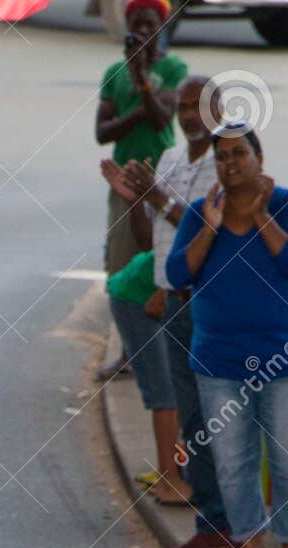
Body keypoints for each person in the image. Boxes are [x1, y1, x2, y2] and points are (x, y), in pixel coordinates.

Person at [166, 125, 288, 548]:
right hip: (221, 362)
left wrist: (260, 218)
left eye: (239, 153)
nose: (230, 163)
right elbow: (178, 273)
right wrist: (211, 229)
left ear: (259, 157)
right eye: (222, 156)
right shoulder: (201, 213)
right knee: (234, 463)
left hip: (287, 361)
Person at [126, 74, 232, 548]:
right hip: (173, 302)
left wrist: (156, 197)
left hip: (209, 305)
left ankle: (233, 525)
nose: (189, 115)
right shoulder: (169, 158)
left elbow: (206, 235)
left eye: (199, 106)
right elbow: (150, 239)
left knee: (221, 416)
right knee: (192, 418)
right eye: (184, 107)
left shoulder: (228, 160)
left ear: (219, 109)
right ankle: (211, 524)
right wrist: (135, 196)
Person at [98, 167, 191, 506]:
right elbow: (147, 243)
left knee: (182, 388)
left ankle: (176, 467)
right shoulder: (188, 195)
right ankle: (168, 479)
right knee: (164, 391)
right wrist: (138, 202)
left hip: (161, 294)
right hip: (136, 297)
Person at [95, 0, 186, 279]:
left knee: (159, 252)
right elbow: (102, 132)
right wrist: (141, 112)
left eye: (151, 24)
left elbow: (161, 119)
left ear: (162, 27)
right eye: (137, 25)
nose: (144, 31)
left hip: (161, 176)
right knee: (121, 261)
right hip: (124, 177)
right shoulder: (114, 73)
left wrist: (143, 81)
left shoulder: (173, 68)